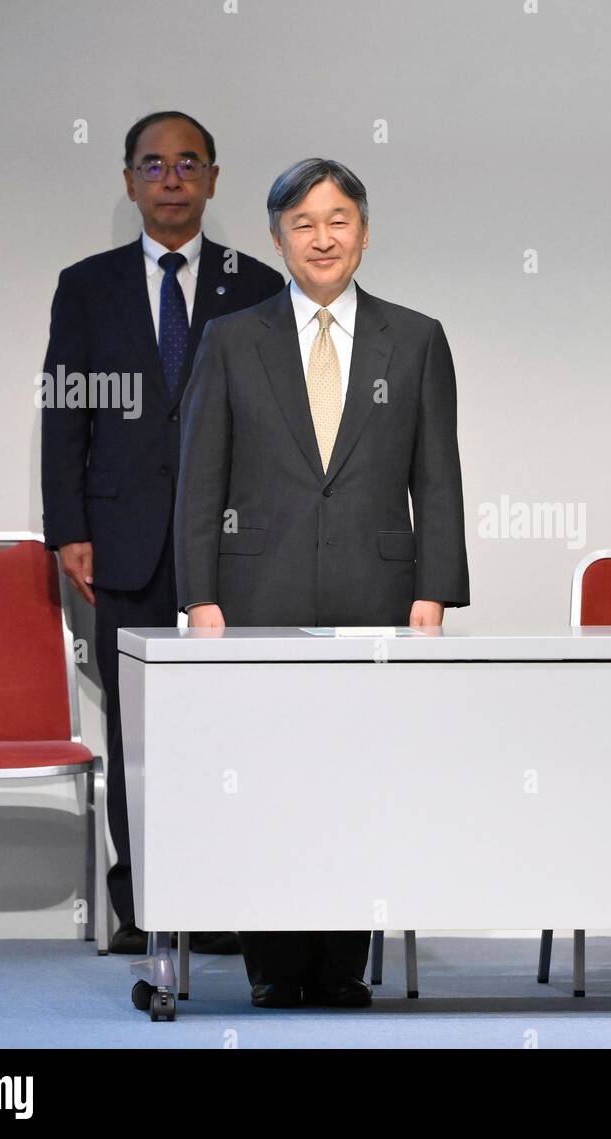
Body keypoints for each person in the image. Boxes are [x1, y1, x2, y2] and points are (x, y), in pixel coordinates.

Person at [175, 157, 470, 1009]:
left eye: (339, 219)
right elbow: (200, 480)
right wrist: (199, 597)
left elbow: (438, 475)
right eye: (303, 223)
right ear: (277, 239)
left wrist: (434, 591)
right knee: (268, 777)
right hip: (254, 596)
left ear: (365, 232)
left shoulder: (414, 338)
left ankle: (340, 964)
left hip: (379, 597)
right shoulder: (233, 340)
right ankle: (274, 966)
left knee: (360, 777)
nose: (323, 236)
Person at [41, 110, 284, 954]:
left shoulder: (257, 284)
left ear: (214, 179)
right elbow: (63, 410)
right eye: (154, 164)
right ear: (129, 180)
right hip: (125, 542)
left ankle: (226, 907)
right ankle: (142, 907)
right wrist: (68, 526)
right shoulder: (88, 285)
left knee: (232, 729)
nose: (171, 178)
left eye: (189, 164)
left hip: (234, 547)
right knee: (137, 733)